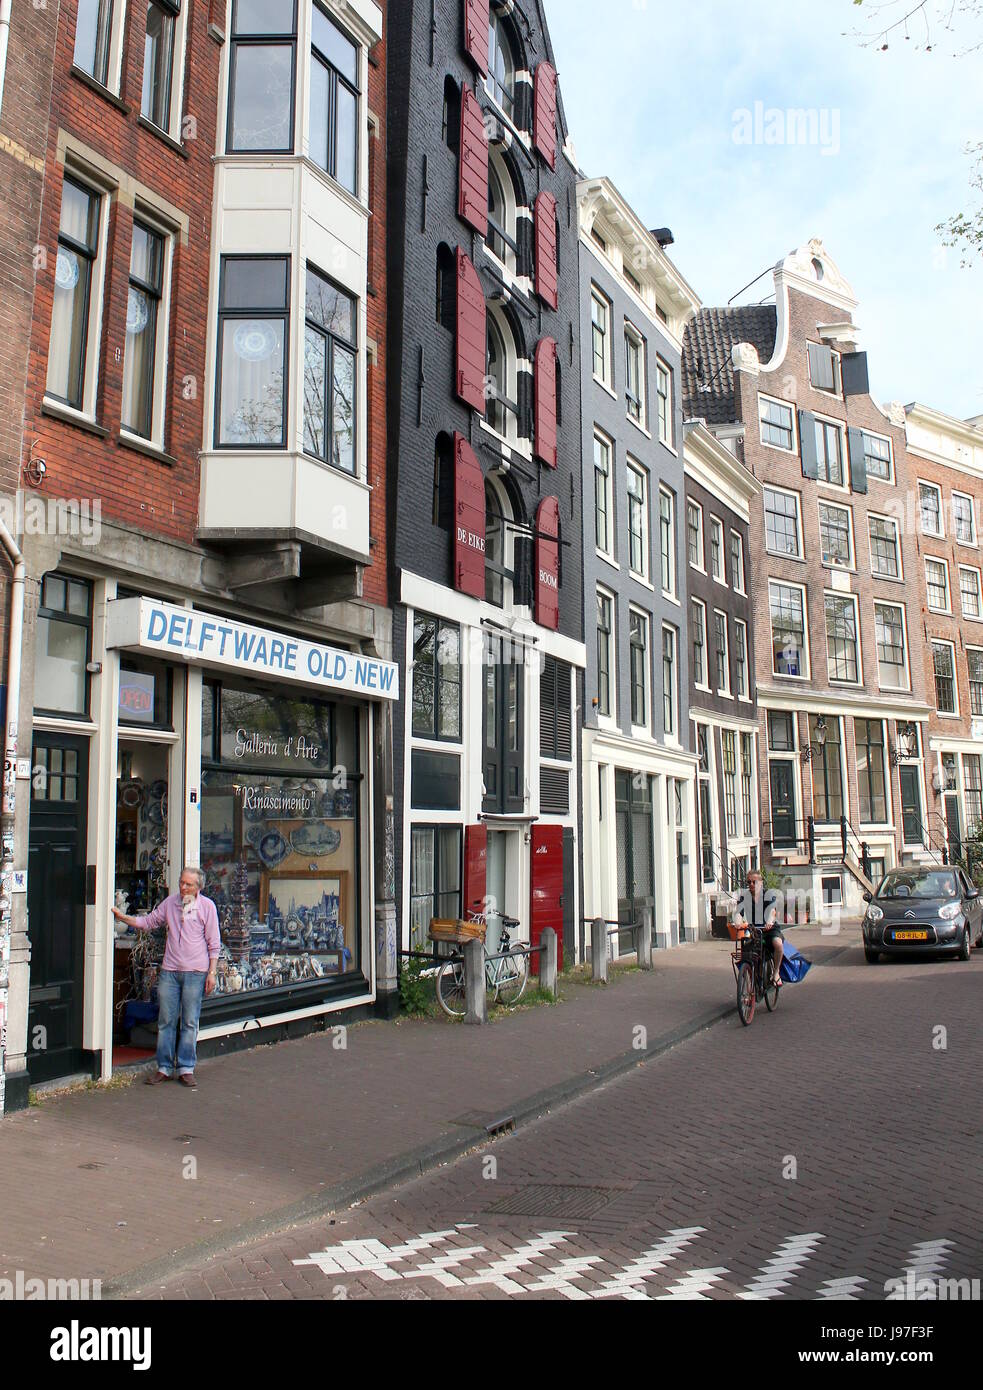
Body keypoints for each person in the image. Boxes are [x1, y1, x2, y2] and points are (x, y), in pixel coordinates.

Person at [112, 866, 220, 1089]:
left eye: (188, 884)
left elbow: (214, 943)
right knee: (166, 1021)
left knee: (190, 1021)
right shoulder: (171, 903)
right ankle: (164, 1067)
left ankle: (186, 1068)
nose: (183, 887)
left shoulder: (207, 907)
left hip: (195, 972)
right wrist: (124, 918)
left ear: (198, 887)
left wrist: (212, 972)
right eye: (181, 882)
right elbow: (149, 922)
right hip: (170, 970)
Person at [737, 869, 784, 987]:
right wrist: (737, 923)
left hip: (769, 928)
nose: (751, 885)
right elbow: (738, 913)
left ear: (761, 883)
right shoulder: (744, 896)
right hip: (754, 930)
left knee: (778, 944)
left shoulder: (768, 895)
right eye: (749, 882)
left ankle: (776, 972)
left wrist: (769, 921)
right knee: (746, 954)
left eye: (754, 882)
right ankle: (749, 982)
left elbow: (772, 911)